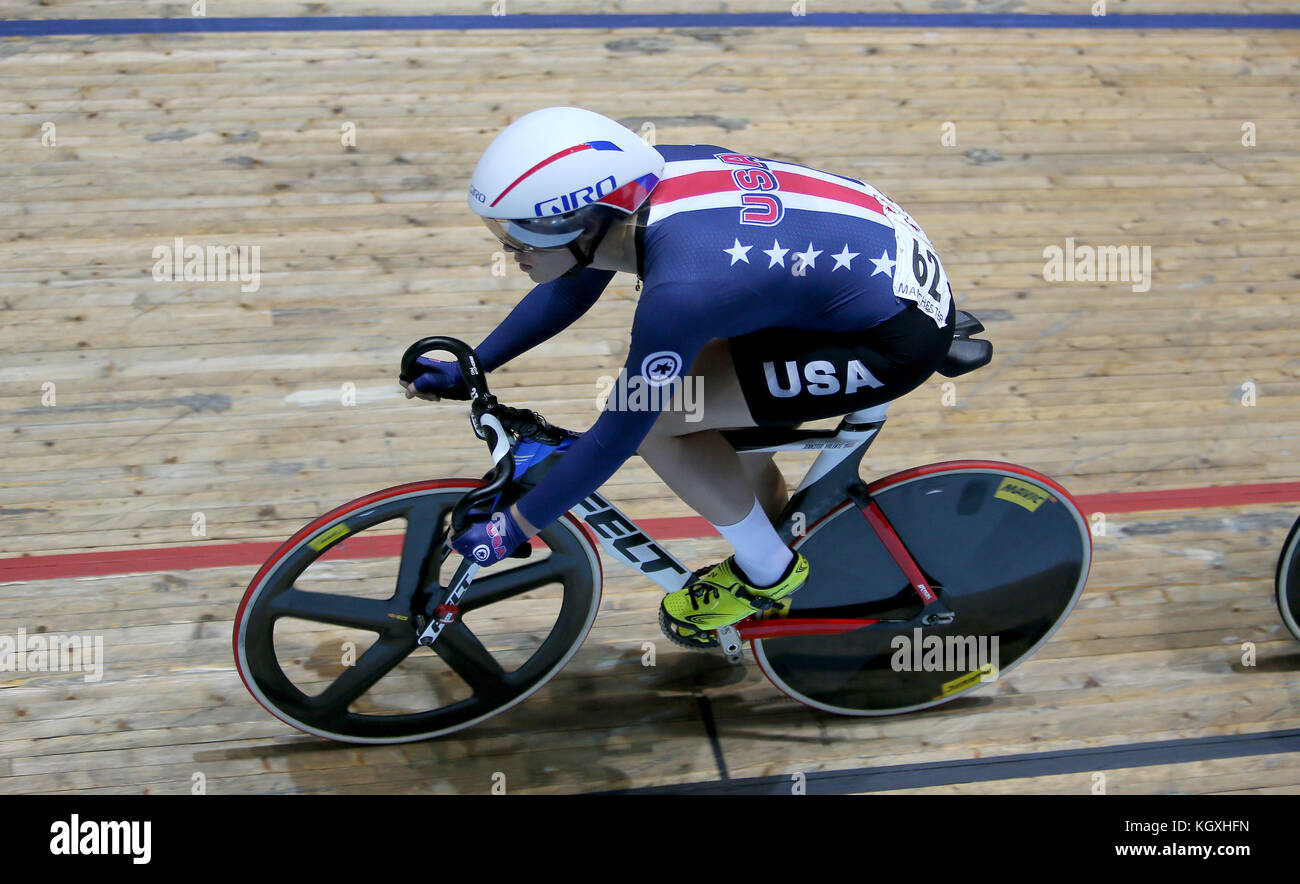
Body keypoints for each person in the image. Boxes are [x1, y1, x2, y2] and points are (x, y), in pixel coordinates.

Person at [401, 106, 955, 647]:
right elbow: (576, 276)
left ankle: (768, 571)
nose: (509, 248)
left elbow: (616, 436)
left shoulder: (681, 294)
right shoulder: (637, 182)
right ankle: (778, 542)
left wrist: (514, 527)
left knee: (662, 424)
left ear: (589, 220)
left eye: (523, 232)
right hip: (844, 281)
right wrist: (477, 364)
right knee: (727, 446)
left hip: (887, 340)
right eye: (501, 228)